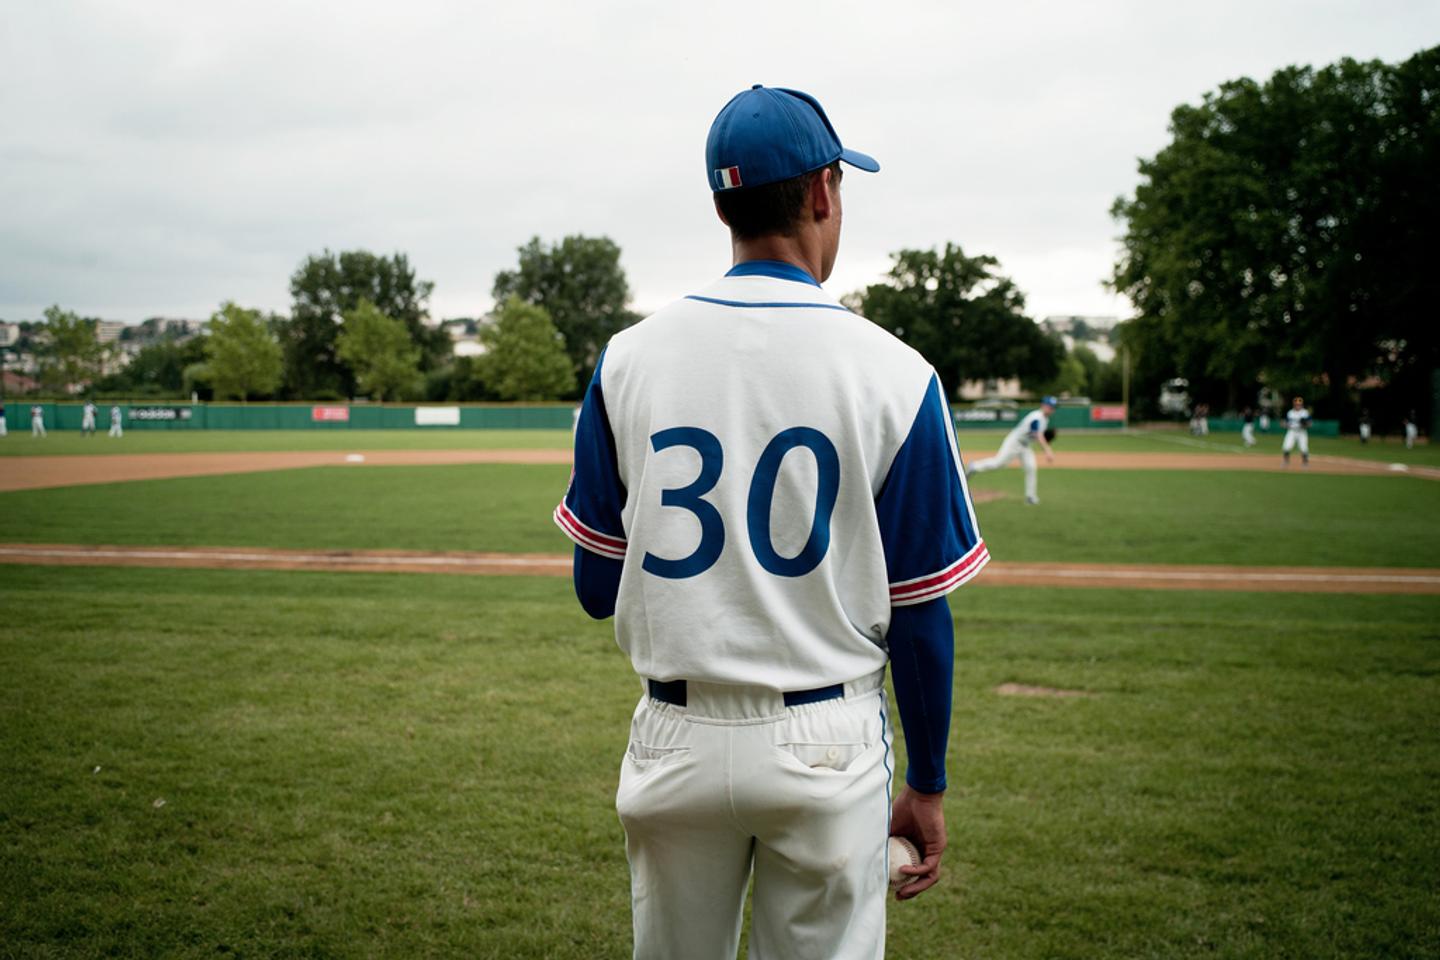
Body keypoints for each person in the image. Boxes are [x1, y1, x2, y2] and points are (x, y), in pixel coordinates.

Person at [554, 84, 987, 960]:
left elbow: (598, 589)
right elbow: (921, 615)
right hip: (824, 740)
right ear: (823, 192)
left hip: (671, 735)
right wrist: (929, 785)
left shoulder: (626, 360)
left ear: (722, 204)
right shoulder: (896, 373)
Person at [966, 396, 1057, 504]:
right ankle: (974, 466)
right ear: (1043, 405)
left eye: (1052, 407)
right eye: (1049, 406)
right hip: (1014, 442)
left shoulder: (1045, 419)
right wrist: (1047, 450)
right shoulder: (1036, 417)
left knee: (1031, 468)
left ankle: (1030, 497)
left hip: (1025, 446)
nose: (1051, 409)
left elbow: (1037, 434)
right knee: (998, 463)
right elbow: (1037, 434)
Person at [1282, 396, 1311, 467]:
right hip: (1292, 431)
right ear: (1294, 405)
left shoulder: (1305, 412)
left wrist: (1305, 424)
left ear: (1302, 405)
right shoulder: (1290, 413)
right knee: (1286, 446)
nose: (1298, 406)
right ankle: (1286, 461)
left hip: (1301, 432)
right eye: (1296, 404)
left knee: (1303, 448)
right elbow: (1285, 423)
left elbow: (1309, 423)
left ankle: (1305, 463)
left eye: (1299, 404)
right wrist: (1285, 425)